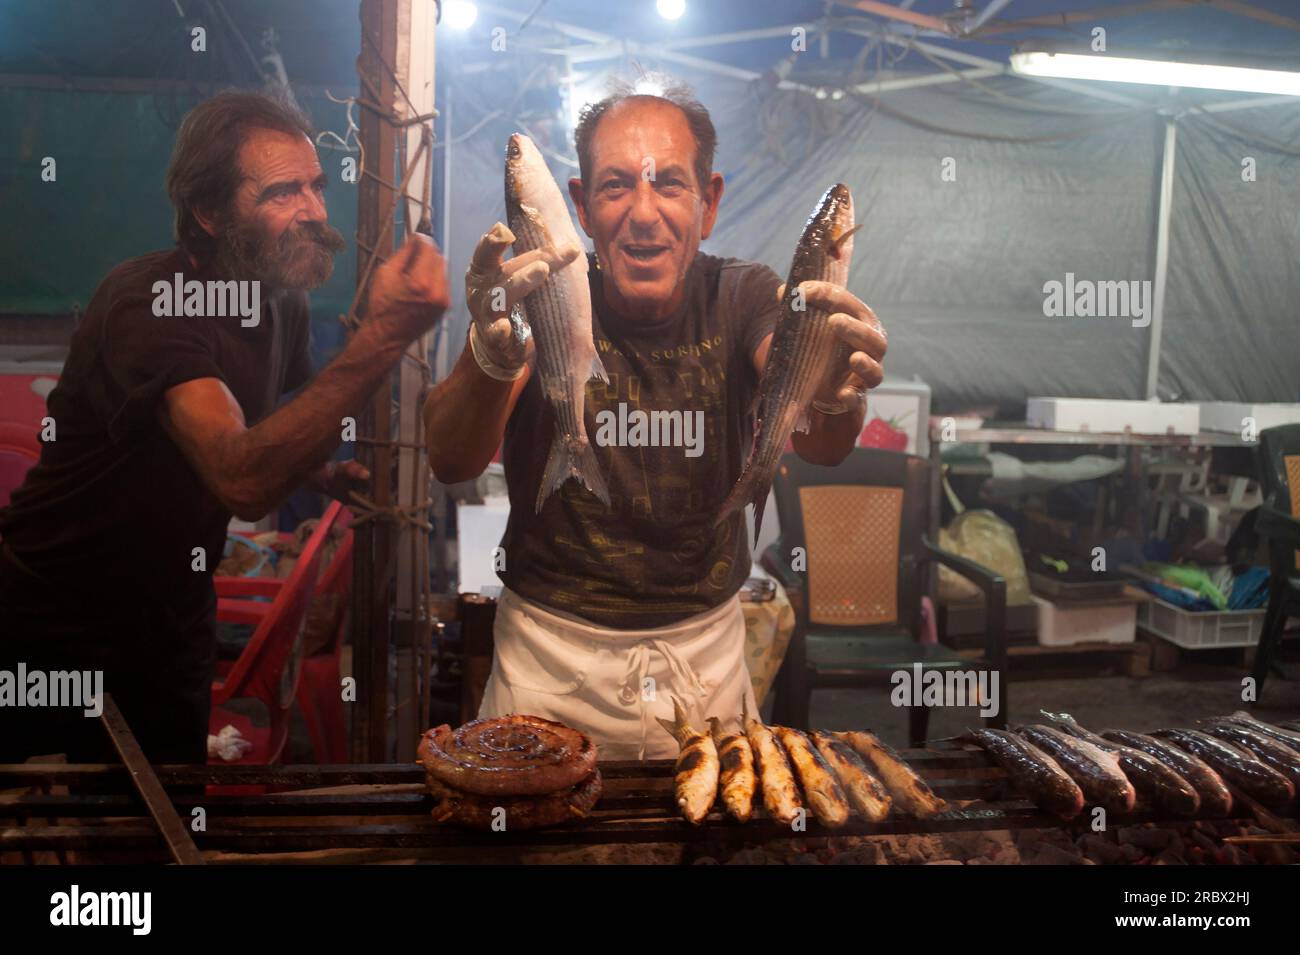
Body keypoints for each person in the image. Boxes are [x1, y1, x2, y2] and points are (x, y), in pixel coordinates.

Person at [423, 84, 886, 759]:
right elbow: (449, 458)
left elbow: (821, 443)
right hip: (547, 664)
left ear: (710, 200)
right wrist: (489, 353)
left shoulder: (743, 295)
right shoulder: (546, 287)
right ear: (579, 206)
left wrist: (838, 390)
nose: (644, 214)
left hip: (707, 665)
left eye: (669, 184)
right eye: (616, 187)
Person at [0, 91, 449, 764]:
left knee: (163, 818)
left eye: (316, 187)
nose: (315, 212)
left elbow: (260, 425)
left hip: (172, 613)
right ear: (208, 213)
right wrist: (382, 337)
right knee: (32, 819)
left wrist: (317, 471)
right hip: (51, 609)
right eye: (281, 193)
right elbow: (241, 474)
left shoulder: (283, 305)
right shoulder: (152, 302)